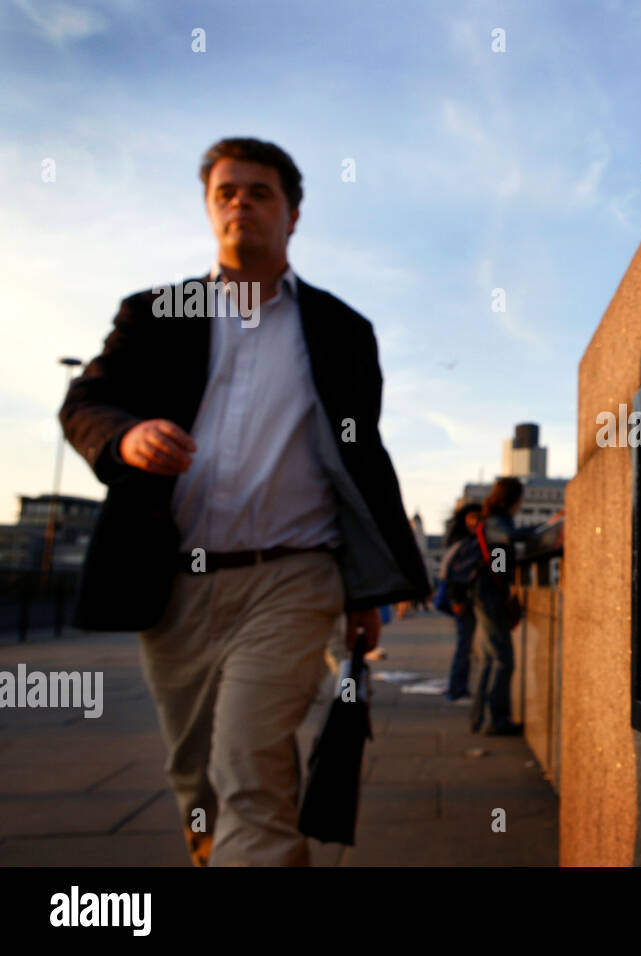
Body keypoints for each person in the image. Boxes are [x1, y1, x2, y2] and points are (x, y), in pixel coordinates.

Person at [58, 137, 430, 867]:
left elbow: (360, 460)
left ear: (292, 214)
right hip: (174, 583)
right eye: (226, 192)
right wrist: (126, 438)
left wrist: (366, 589)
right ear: (208, 209)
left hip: (294, 576)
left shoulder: (342, 330)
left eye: (259, 192)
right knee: (195, 778)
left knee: (249, 767)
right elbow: (86, 400)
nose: (240, 204)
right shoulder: (155, 312)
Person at [469, 478, 527, 735]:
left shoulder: (490, 518)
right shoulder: (497, 521)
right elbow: (508, 538)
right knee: (504, 660)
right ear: (512, 499)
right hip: (488, 594)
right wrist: (547, 525)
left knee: (491, 658)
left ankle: (478, 718)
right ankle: (496, 721)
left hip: (486, 591)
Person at [442, 501, 480, 704]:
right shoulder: (466, 543)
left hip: (466, 599)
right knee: (464, 646)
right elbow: (454, 575)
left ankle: (458, 688)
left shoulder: (467, 541)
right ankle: (457, 690)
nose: (476, 522)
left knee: (465, 646)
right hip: (464, 600)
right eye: (472, 517)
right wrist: (457, 599)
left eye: (479, 517)